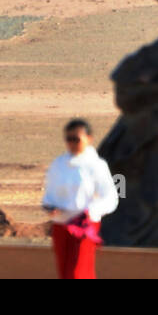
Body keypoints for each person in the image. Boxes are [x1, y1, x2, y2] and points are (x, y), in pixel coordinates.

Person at [42, 119, 120, 279]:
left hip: (84, 226)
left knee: (78, 273)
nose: (72, 143)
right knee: (64, 273)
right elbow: (49, 194)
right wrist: (50, 207)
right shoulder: (59, 164)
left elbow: (110, 197)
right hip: (61, 225)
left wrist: (91, 212)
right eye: (68, 139)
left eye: (76, 139)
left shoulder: (96, 165)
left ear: (89, 138)